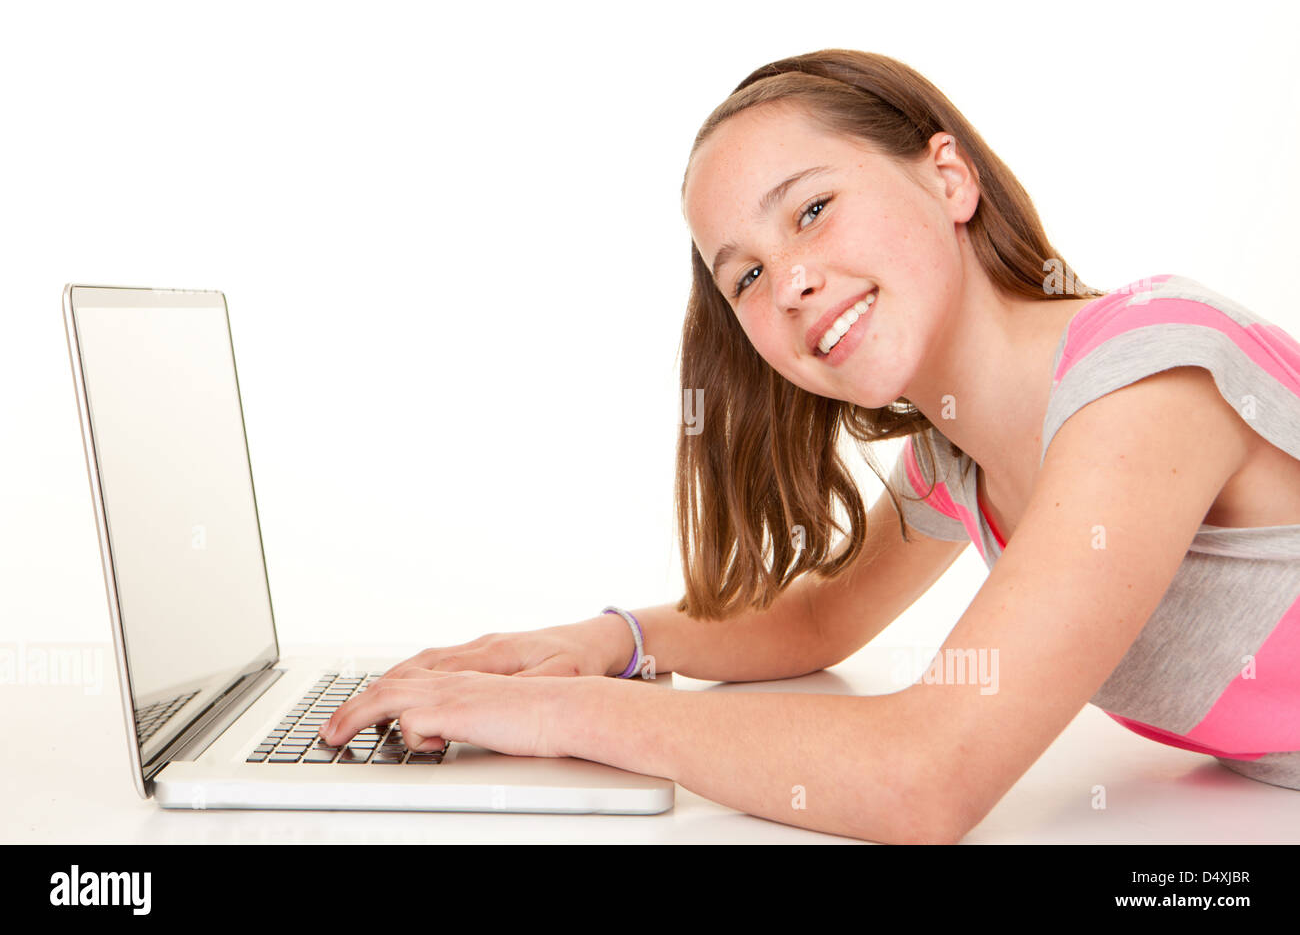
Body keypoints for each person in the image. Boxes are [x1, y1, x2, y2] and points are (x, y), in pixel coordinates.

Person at [319, 49, 1300, 844]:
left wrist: (554, 718)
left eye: (812, 210)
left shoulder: (1151, 381)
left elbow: (925, 780)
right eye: (742, 275)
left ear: (947, 176)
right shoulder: (958, 458)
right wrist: (613, 642)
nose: (786, 280)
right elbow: (817, 622)